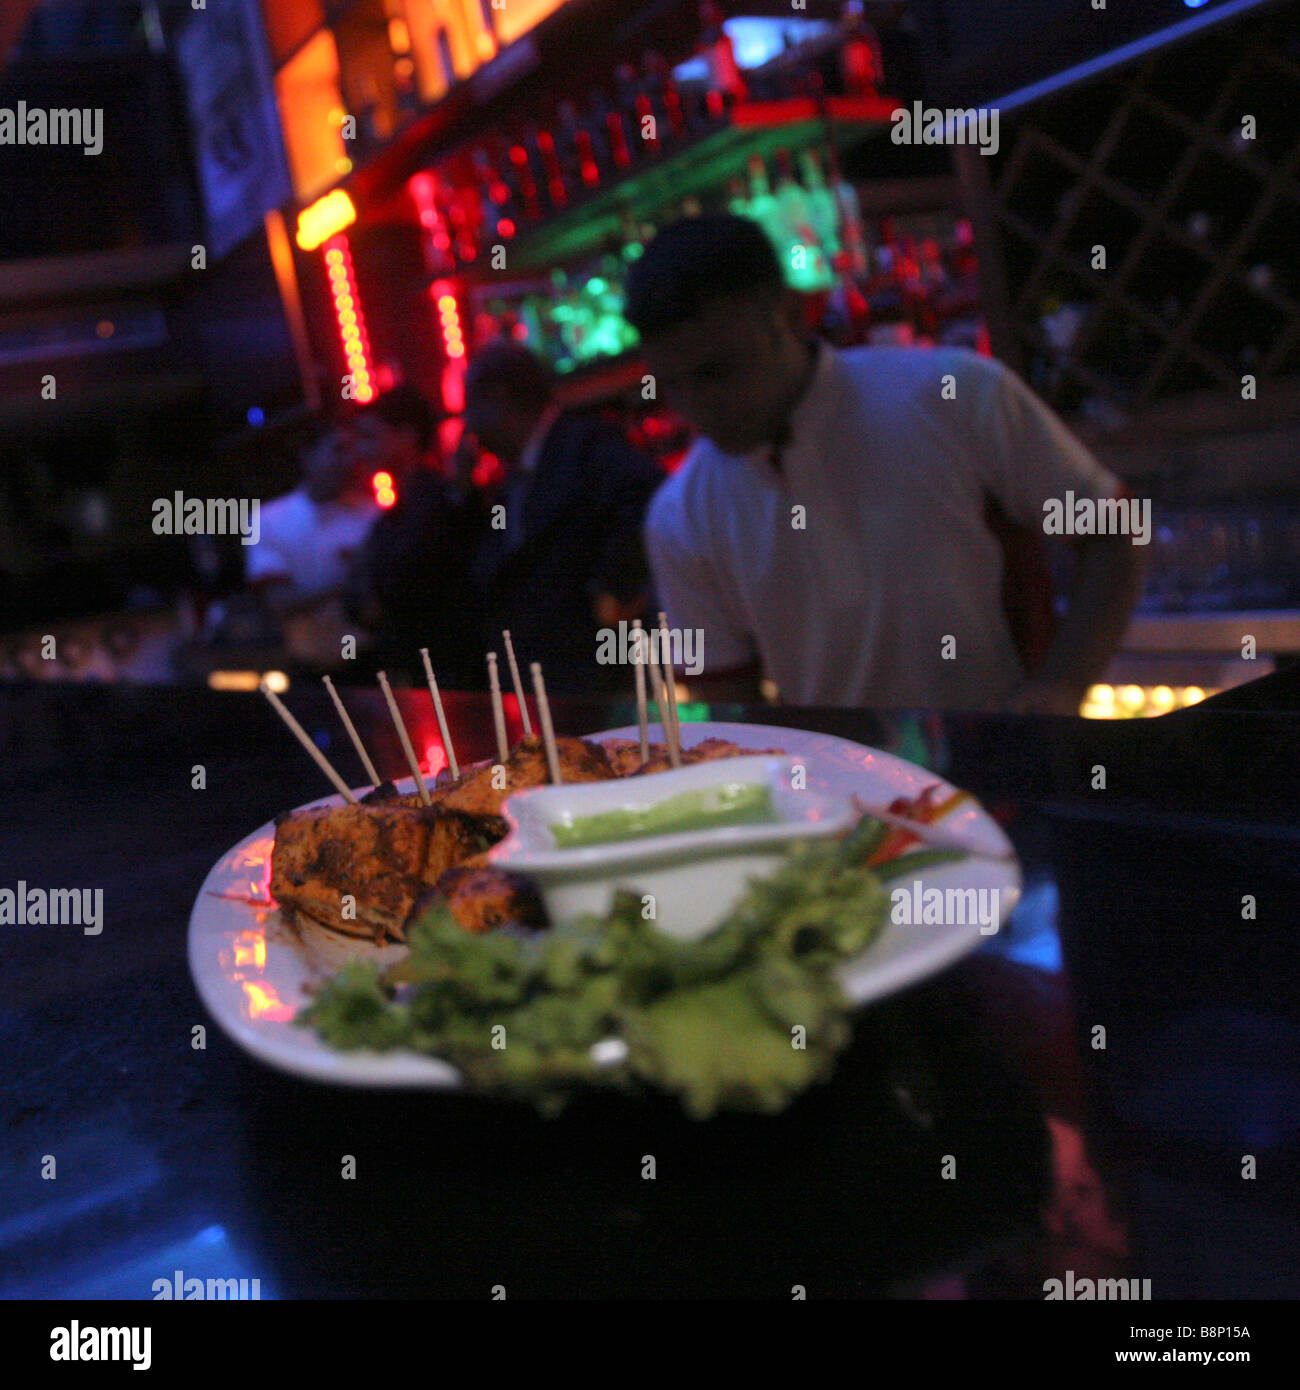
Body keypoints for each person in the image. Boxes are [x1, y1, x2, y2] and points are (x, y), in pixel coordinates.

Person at [625, 213, 1145, 714]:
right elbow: (729, 698)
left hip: (1005, 754)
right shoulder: (679, 516)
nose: (695, 406)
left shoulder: (953, 393)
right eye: (672, 384)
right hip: (835, 795)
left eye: (718, 371)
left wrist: (1061, 685)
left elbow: (1114, 530)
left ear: (787, 313)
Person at [461, 340, 663, 693]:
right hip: (544, 684)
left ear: (500, 396)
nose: (468, 424)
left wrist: (611, 593)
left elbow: (644, 491)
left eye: (471, 406)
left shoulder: (584, 444)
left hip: (592, 680)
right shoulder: (513, 479)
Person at [348, 385, 486, 687]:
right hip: (433, 674)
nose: (362, 449)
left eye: (370, 437)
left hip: (448, 677)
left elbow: (402, 588)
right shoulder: (405, 510)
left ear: (407, 436)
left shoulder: (438, 504)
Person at [244, 421, 378, 675]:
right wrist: (345, 584)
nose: (347, 460)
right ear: (309, 456)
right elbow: (277, 603)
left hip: (367, 666)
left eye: (352, 451)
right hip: (307, 671)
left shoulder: (372, 516)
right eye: (338, 450)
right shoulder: (268, 520)